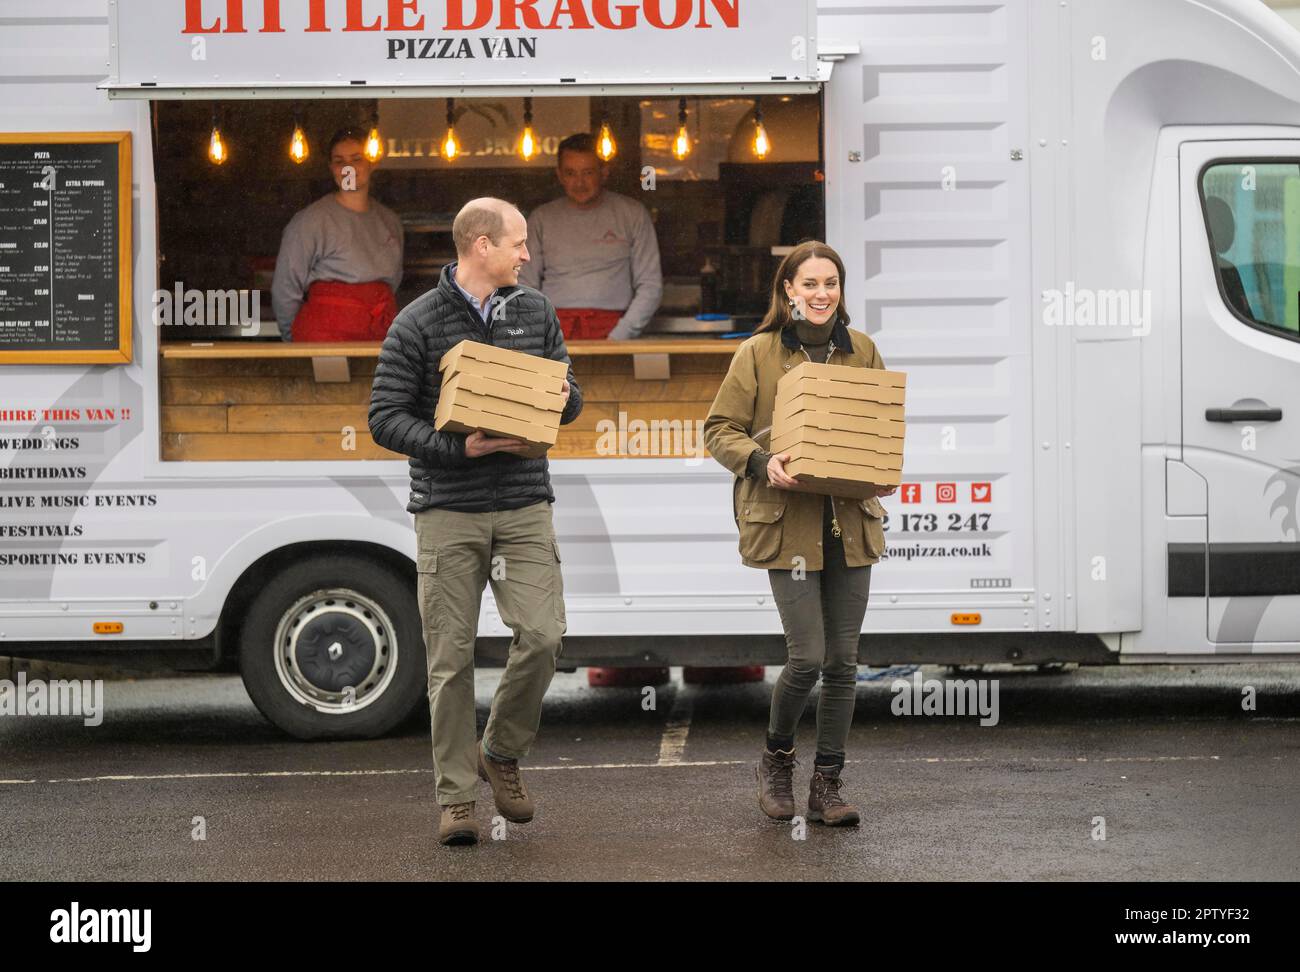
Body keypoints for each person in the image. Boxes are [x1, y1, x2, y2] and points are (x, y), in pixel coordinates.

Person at [367, 197, 583, 847]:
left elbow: (571, 399)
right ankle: (458, 800)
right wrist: (458, 448)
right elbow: (385, 418)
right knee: (450, 660)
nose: (527, 254)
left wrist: (562, 396)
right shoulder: (417, 322)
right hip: (448, 510)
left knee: (543, 636)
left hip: (523, 502)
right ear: (481, 245)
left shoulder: (536, 311)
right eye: (518, 243)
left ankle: (501, 751)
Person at [702, 240, 897, 828]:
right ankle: (777, 758)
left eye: (830, 283)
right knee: (808, 657)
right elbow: (719, 430)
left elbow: (880, 429)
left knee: (843, 663)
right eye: (809, 283)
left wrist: (883, 470)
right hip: (787, 525)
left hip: (850, 524)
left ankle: (827, 786)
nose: (821, 294)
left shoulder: (863, 350)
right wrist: (762, 462)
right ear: (788, 290)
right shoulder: (758, 352)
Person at [517, 132, 663, 341]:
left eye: (588, 173)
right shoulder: (541, 218)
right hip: (554, 328)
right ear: (559, 175)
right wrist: (544, 334)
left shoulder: (632, 214)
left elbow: (650, 285)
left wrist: (619, 337)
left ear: (604, 172)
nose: (579, 183)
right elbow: (524, 285)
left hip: (616, 327)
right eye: (570, 173)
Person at [272, 127, 404, 341]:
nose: (348, 168)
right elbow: (285, 287)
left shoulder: (390, 221)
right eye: (339, 161)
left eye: (356, 159)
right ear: (331, 168)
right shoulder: (310, 221)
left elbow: (393, 280)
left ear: (373, 162)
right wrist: (293, 341)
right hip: (325, 337)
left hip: (380, 333)